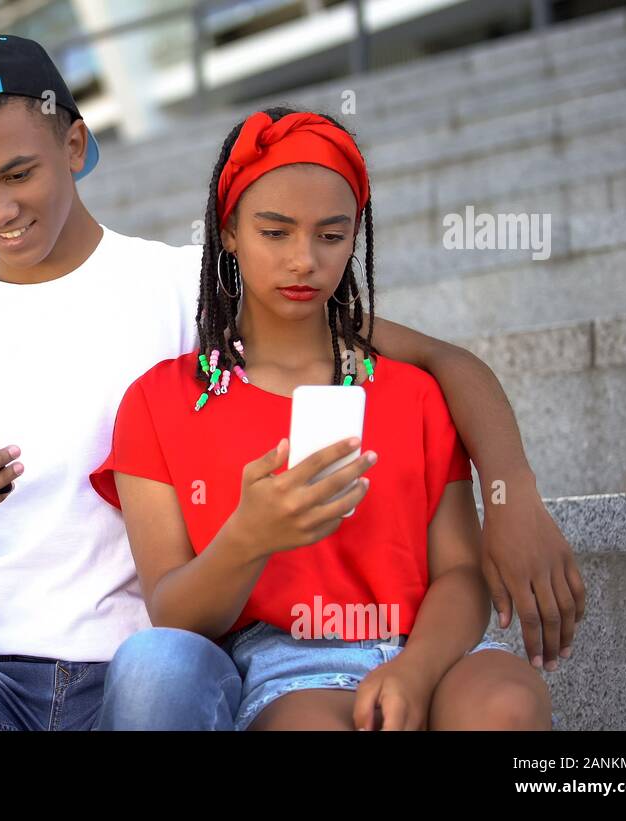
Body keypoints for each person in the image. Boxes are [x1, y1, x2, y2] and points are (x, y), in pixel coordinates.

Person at [0, 35, 579, 731]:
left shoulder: (194, 286)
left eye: (19, 173)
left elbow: (436, 361)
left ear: (75, 143)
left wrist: (513, 496)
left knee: (158, 665)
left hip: (163, 666)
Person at [90, 107, 553, 730]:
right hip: (288, 666)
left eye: (330, 236)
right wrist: (250, 535)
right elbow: (173, 613)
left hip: (434, 649)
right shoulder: (160, 401)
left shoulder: (412, 391)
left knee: (508, 704)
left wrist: (414, 669)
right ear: (228, 230)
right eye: (275, 233)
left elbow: (462, 575)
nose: (304, 260)